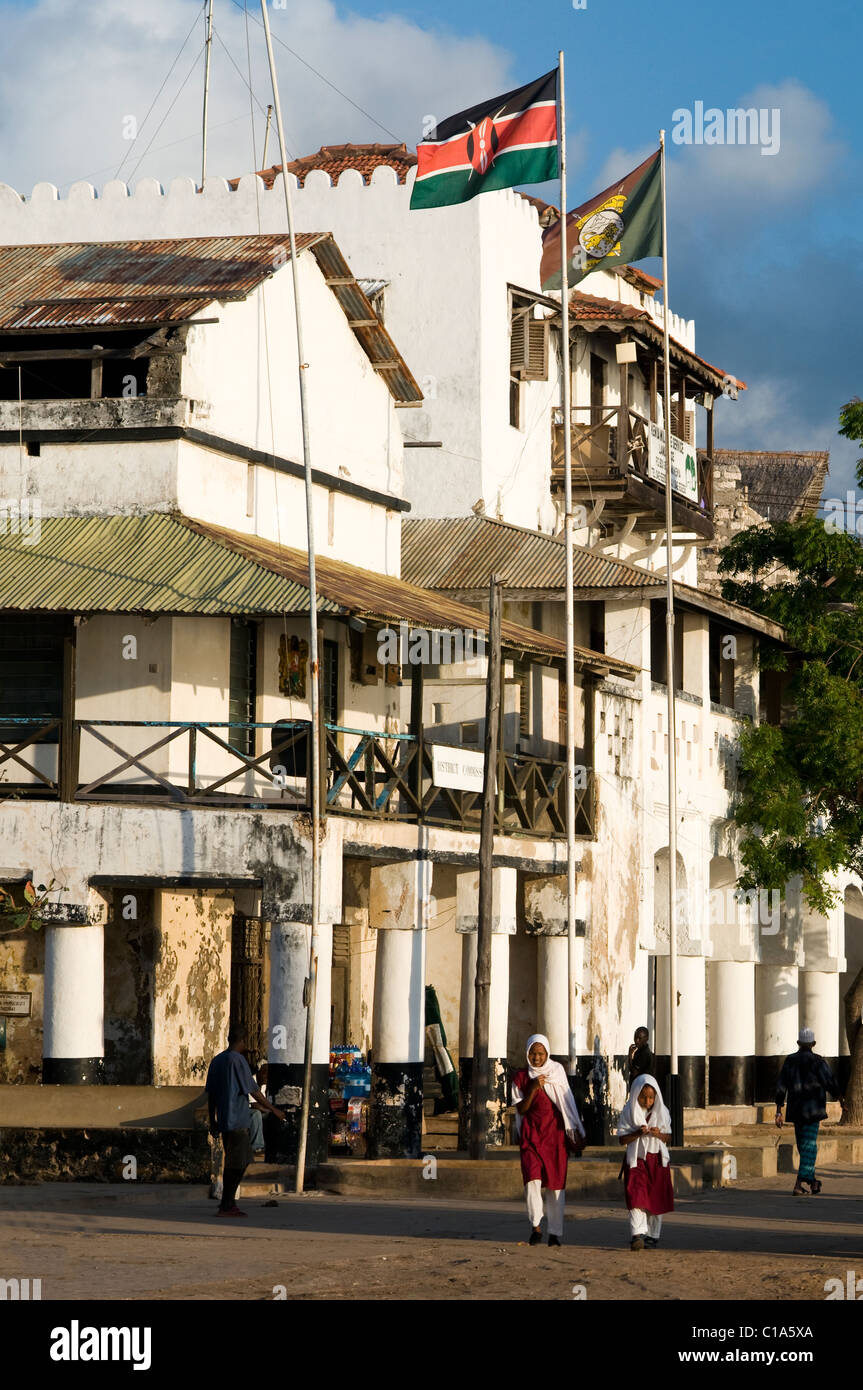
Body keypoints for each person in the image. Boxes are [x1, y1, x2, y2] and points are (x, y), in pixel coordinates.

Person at [511, 1033, 586, 1248]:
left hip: (555, 1137)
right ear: (527, 1053)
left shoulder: (557, 1072)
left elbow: (567, 1103)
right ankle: (535, 1226)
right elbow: (521, 1109)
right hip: (531, 1135)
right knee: (532, 1180)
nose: (536, 1058)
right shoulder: (521, 1078)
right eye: (533, 1054)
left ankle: (555, 1232)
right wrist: (533, 1089)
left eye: (540, 1054)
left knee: (555, 1185)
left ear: (547, 1054)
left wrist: (575, 1130)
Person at [205, 1026, 285, 1217]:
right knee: (238, 1164)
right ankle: (227, 1204)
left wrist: (213, 1120)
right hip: (237, 1119)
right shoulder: (237, 1060)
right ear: (242, 1041)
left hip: (224, 1119)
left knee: (237, 1161)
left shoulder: (217, 1061)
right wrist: (274, 1110)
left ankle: (227, 1202)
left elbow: (211, 1095)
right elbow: (253, 1090)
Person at [775, 1027, 844, 1195]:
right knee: (809, 1146)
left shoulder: (790, 1061)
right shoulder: (818, 1061)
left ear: (798, 1043)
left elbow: (781, 1086)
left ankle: (813, 1182)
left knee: (804, 1146)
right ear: (813, 1043)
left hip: (796, 1110)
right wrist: (841, 1098)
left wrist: (778, 1110)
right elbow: (830, 1082)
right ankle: (799, 1184)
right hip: (813, 1110)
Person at [617, 1073, 674, 1251]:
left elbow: (669, 1137)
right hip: (637, 1160)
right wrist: (637, 1133)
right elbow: (622, 1140)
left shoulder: (662, 1112)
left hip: (657, 1159)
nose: (647, 1101)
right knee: (636, 1196)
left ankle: (652, 1235)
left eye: (651, 1097)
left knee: (655, 1198)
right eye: (643, 1096)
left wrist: (658, 1134)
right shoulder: (629, 1111)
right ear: (636, 1094)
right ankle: (637, 1234)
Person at [248, 1060, 268, 1155]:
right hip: (248, 1109)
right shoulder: (251, 1081)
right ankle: (257, 1146)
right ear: (259, 1072)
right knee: (256, 1114)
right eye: (264, 1073)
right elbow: (253, 1104)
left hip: (262, 1110)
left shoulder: (264, 1084)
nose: (265, 1076)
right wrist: (269, 1110)